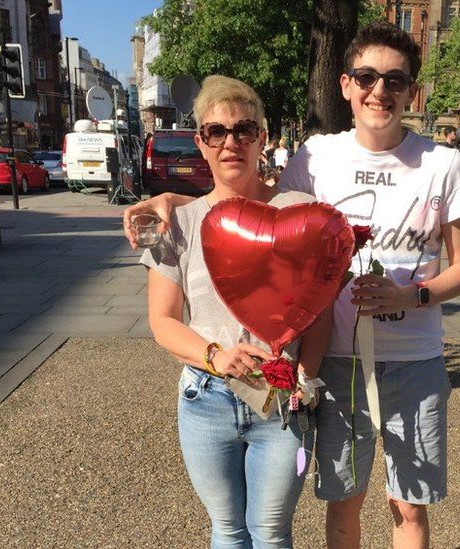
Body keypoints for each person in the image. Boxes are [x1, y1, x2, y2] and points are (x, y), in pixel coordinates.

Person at [124, 22, 460, 549]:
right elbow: (246, 203)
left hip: (407, 359)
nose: (379, 90)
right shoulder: (316, 156)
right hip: (334, 363)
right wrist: (177, 203)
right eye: (366, 77)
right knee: (338, 503)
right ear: (346, 84)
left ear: (411, 89)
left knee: (406, 506)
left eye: (395, 80)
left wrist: (409, 296)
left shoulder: (443, 163)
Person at [138, 75, 331, 548]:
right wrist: (216, 356)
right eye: (216, 132)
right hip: (206, 398)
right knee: (227, 529)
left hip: (280, 401)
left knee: (271, 531)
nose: (231, 143)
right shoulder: (177, 224)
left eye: (244, 130)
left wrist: (305, 379)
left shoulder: (298, 212)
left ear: (262, 138)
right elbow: (162, 320)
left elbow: (321, 312)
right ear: (200, 142)